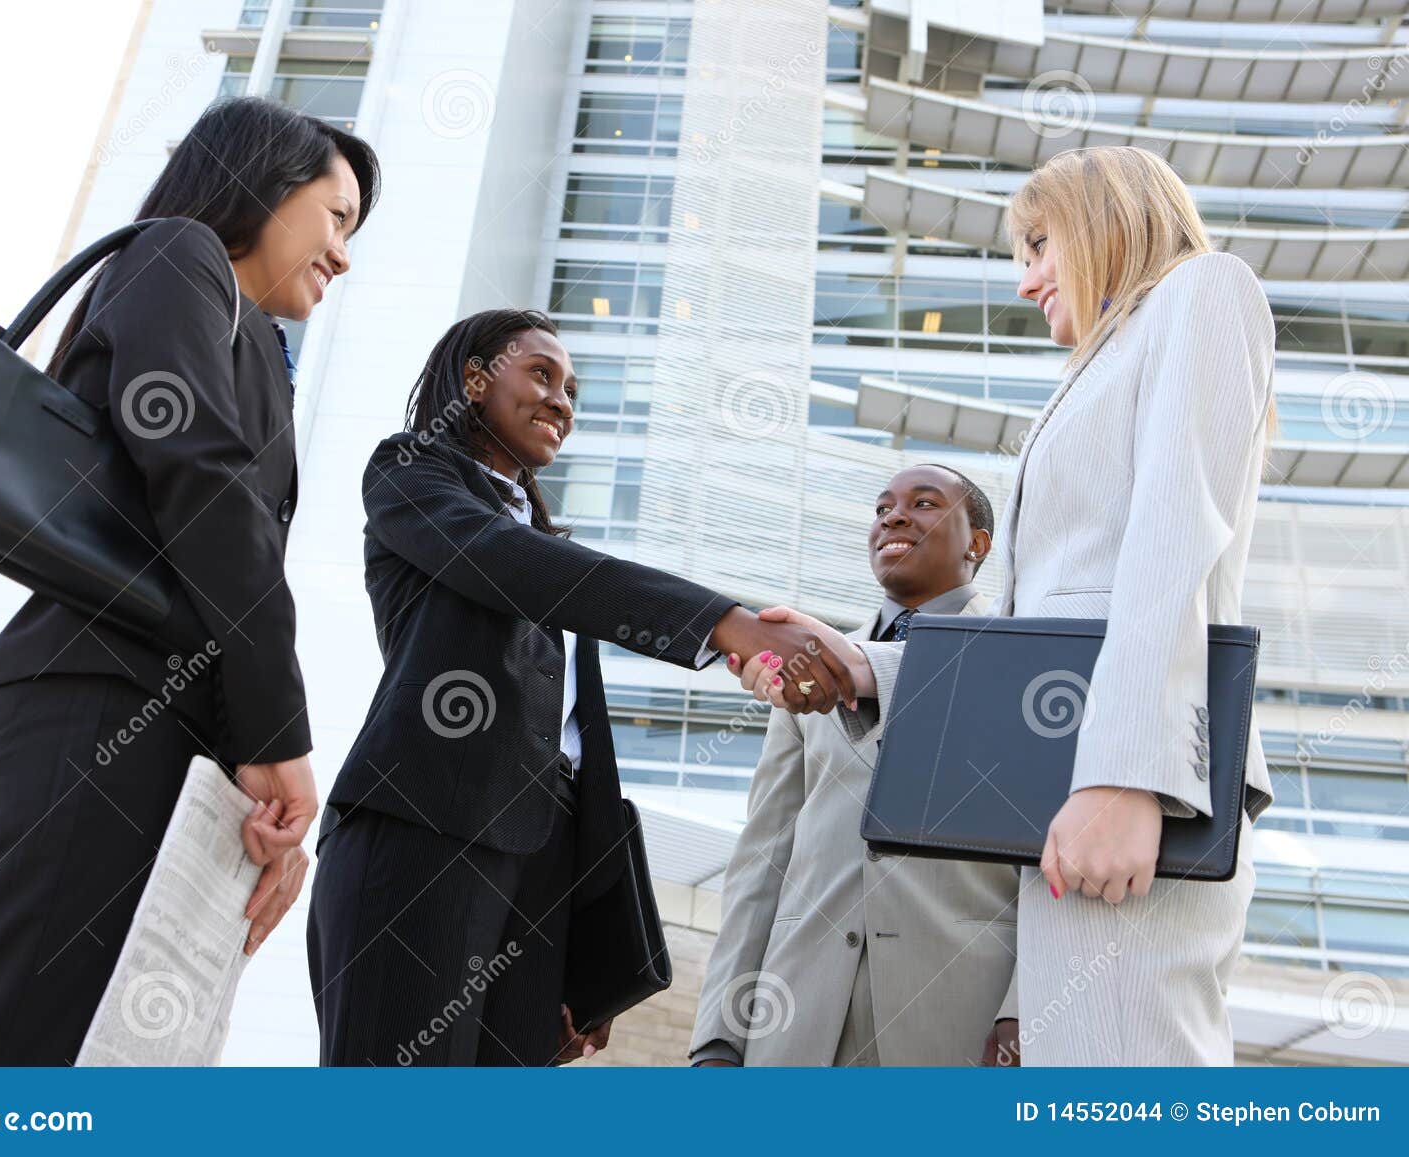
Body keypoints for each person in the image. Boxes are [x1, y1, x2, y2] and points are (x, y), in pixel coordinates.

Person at [738, 146, 1276, 1066]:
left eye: (1037, 244)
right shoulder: (1100, 366)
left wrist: (1128, 776)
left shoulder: (1201, 291)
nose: (1026, 281)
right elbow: (1043, 637)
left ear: (1107, 216)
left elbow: (1174, 550)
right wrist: (872, 662)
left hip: (1125, 802)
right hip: (1067, 810)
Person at [0, 97, 381, 1066]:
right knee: (1, 1060)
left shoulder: (262, 351)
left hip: (167, 746)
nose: (344, 253)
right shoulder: (177, 252)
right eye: (336, 216)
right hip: (86, 711)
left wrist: (252, 778)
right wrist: (278, 735)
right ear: (265, 184)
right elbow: (199, 477)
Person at [306, 308, 858, 1066]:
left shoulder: (542, 541)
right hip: (420, 840)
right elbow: (508, 564)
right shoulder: (412, 474)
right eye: (541, 374)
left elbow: (570, 747)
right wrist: (721, 621)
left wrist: (580, 950)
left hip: (536, 879)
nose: (563, 400)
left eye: (573, 388)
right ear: (474, 380)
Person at [691, 464, 1021, 1067]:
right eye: (882, 508)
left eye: (924, 504)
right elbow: (764, 855)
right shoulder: (805, 665)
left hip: (955, 1019)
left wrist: (1021, 1008)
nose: (893, 517)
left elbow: (1046, 860)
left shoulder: (1022, 656)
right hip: (794, 1021)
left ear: (978, 544)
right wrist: (719, 1032)